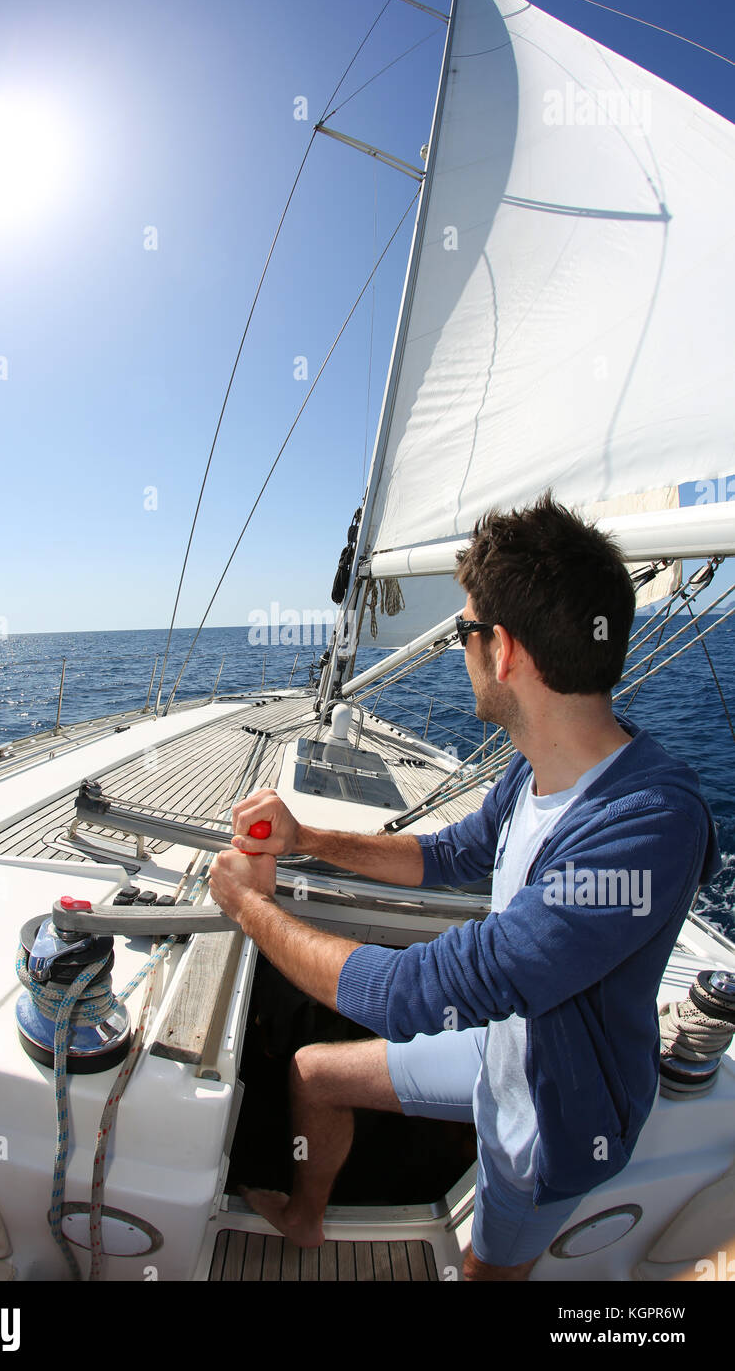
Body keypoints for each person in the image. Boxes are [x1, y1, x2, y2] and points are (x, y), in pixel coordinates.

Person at [208, 490, 722, 1282]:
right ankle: (308, 1220)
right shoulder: (536, 768)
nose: (461, 648)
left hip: (551, 1119)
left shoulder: (650, 824)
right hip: (499, 1047)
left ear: (504, 650)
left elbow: (414, 992)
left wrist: (249, 905)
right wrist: (307, 839)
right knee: (312, 1074)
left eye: (465, 631)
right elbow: (453, 856)